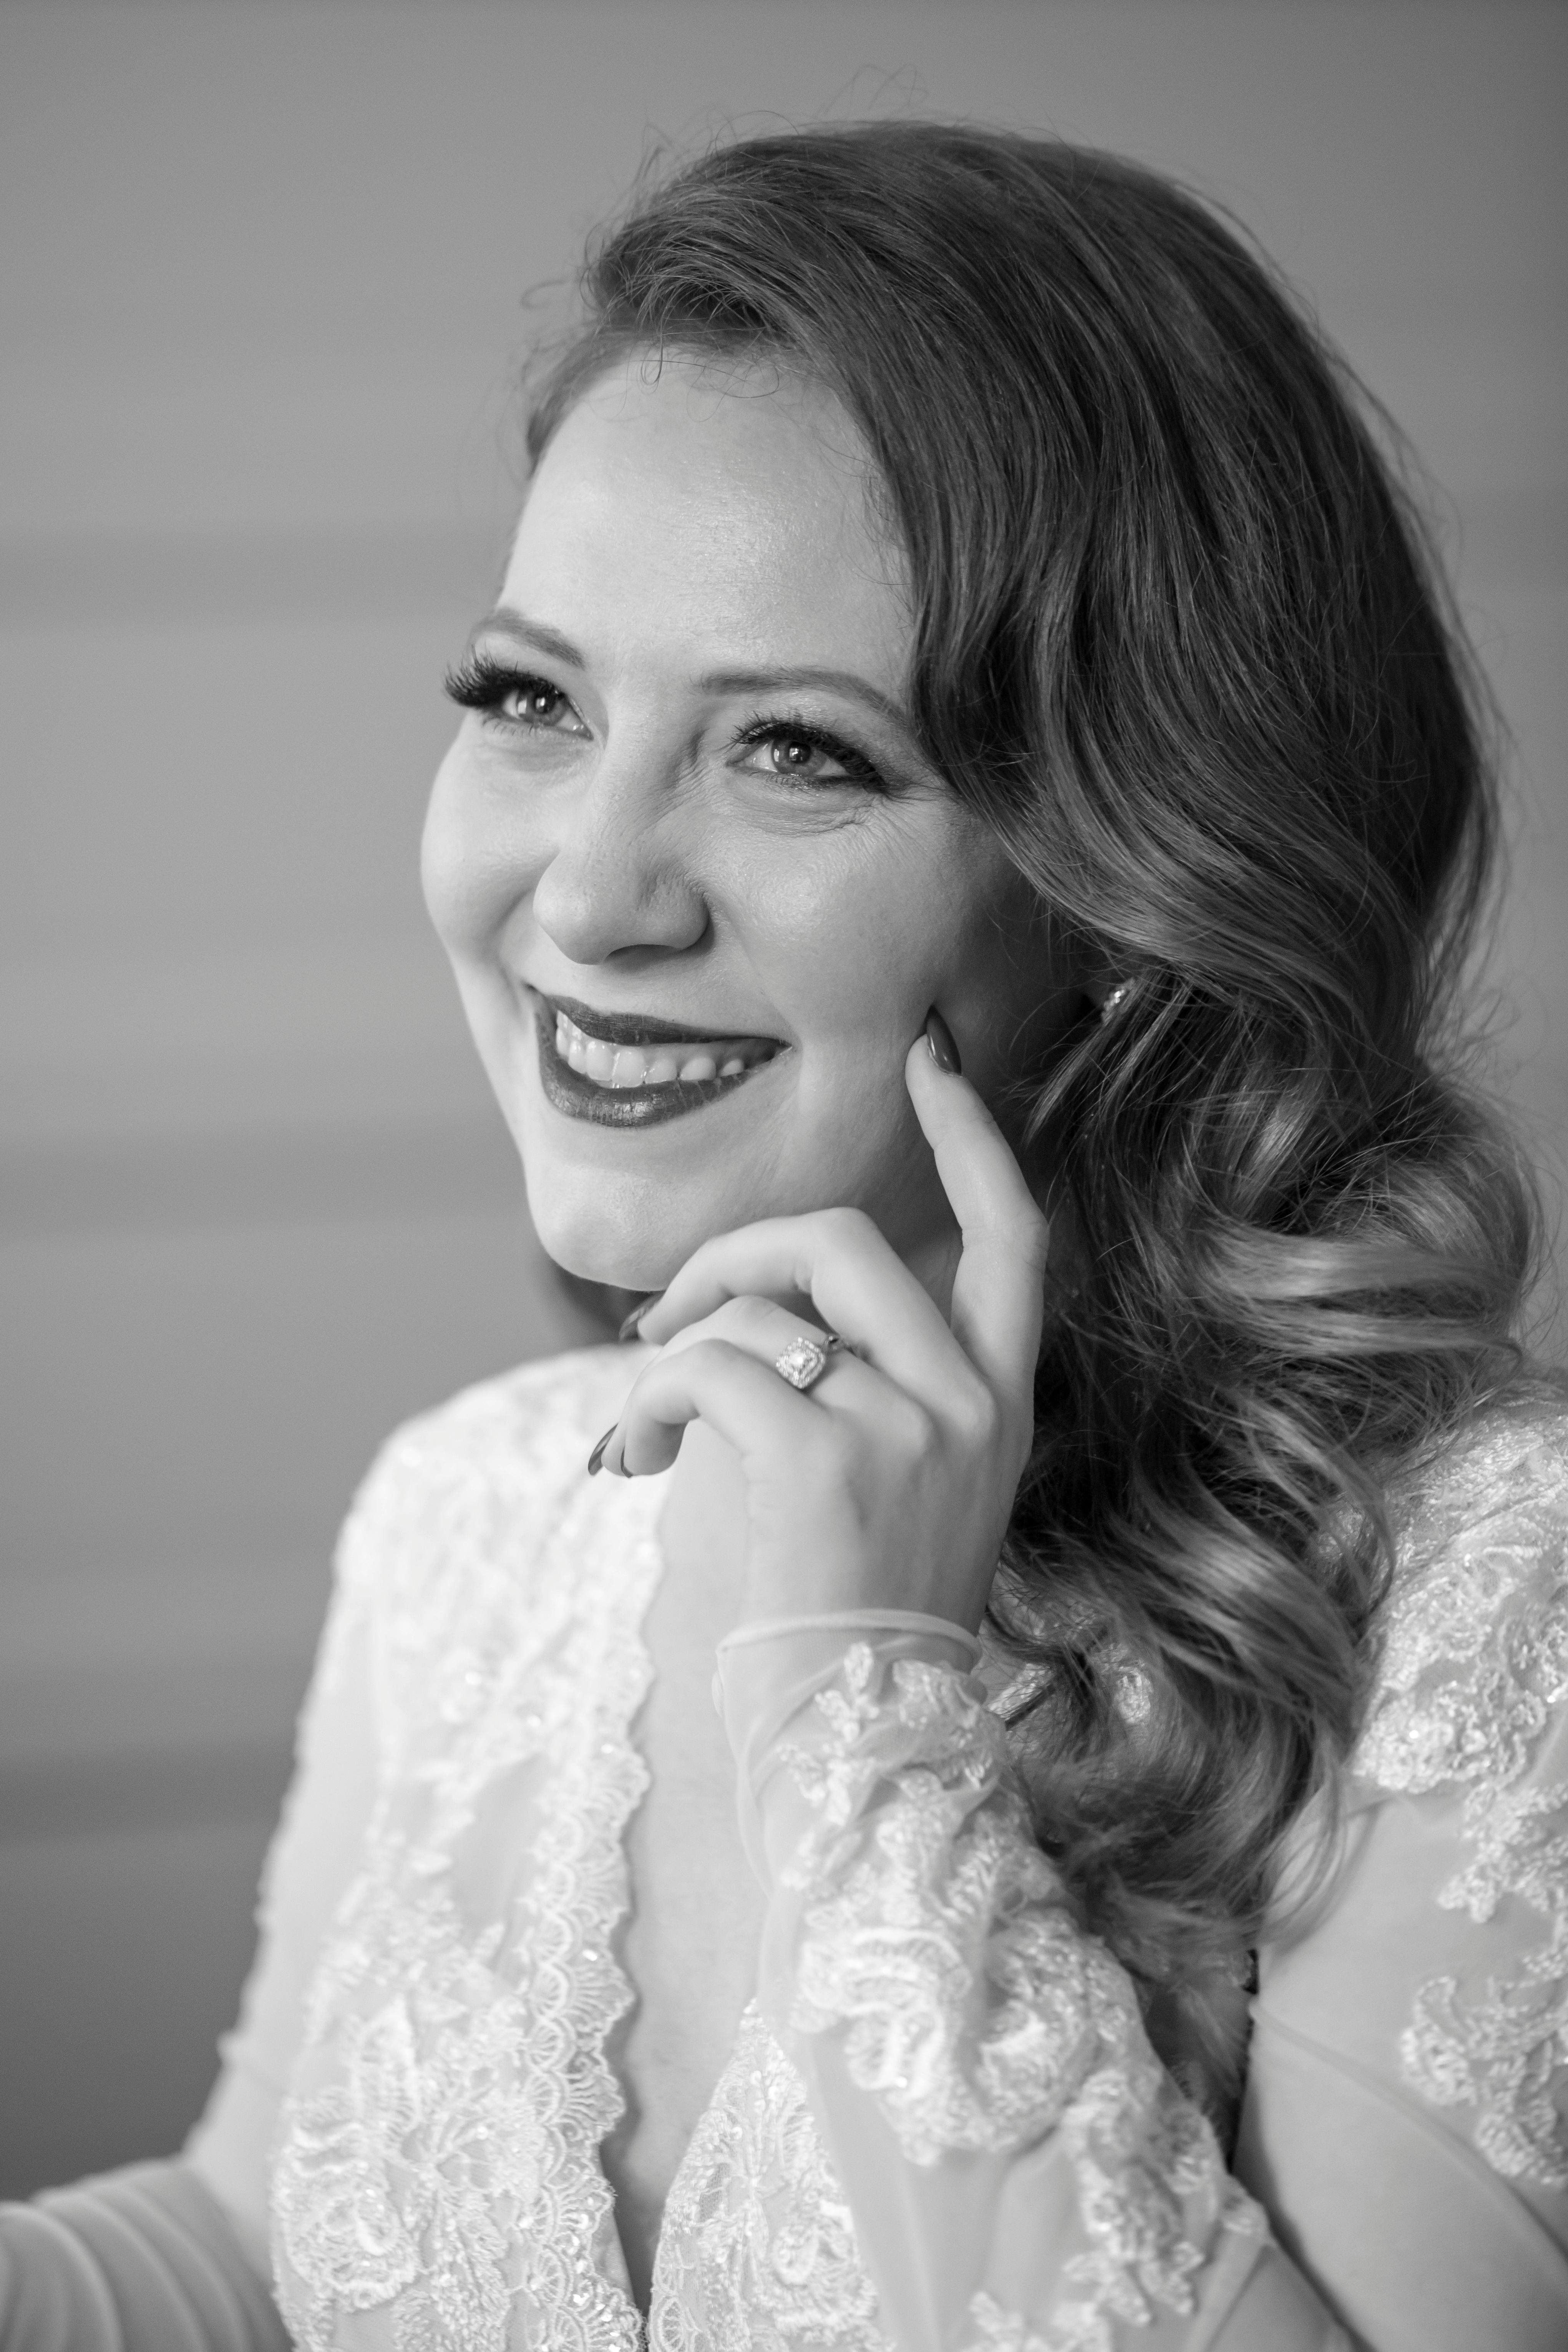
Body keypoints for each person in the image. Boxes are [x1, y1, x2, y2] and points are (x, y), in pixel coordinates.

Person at [2, 120, 1564, 2352]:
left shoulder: (1494, 1603)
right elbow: (252, 2254)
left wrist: (854, 1715)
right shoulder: (473, 1514)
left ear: (1133, 891)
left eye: (800, 755)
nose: (590, 897)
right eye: (533, 702)